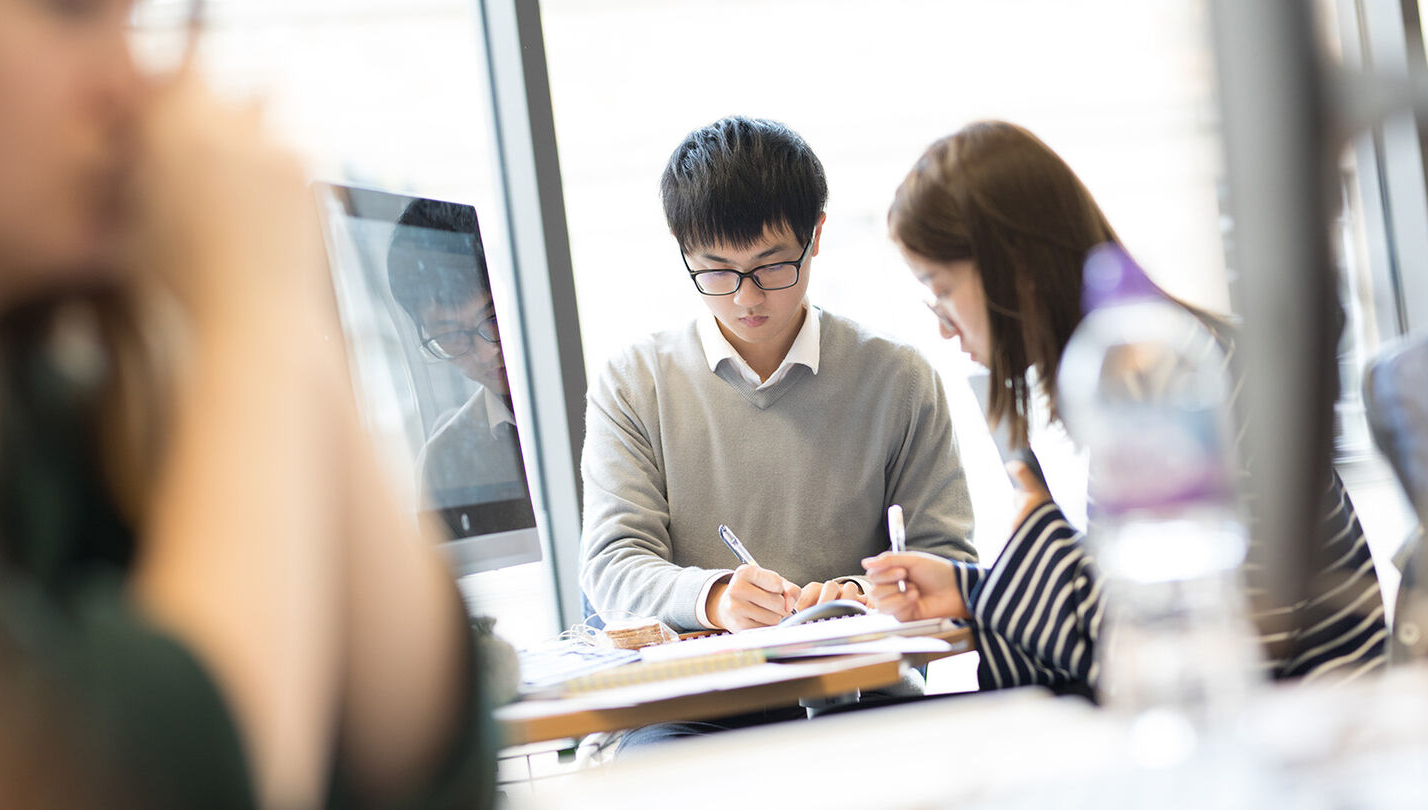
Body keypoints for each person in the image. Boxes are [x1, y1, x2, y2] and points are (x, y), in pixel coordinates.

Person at [0, 1, 491, 807]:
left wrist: (276, 295)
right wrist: (252, 308)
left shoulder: (48, 395)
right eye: (72, 12)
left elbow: (421, 750)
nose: (134, 82)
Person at [862, 120, 1387, 692]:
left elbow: (1193, 647)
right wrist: (973, 590)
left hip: (1305, 728)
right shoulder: (1147, 363)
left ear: (1015, 268)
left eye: (941, 289)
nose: (943, 327)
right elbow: (1138, 604)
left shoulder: (1172, 380)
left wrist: (1037, 527)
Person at [579, 116, 977, 637]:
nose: (747, 298)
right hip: (698, 706)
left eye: (771, 265)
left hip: (861, 689)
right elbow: (612, 564)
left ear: (815, 235)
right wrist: (715, 599)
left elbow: (947, 557)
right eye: (717, 269)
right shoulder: (634, 382)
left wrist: (860, 596)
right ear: (681, 246)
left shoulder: (898, 379)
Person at [386, 200, 529, 519]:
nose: (487, 350)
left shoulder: (604, 398)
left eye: (492, 317)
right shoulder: (443, 463)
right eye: (452, 336)